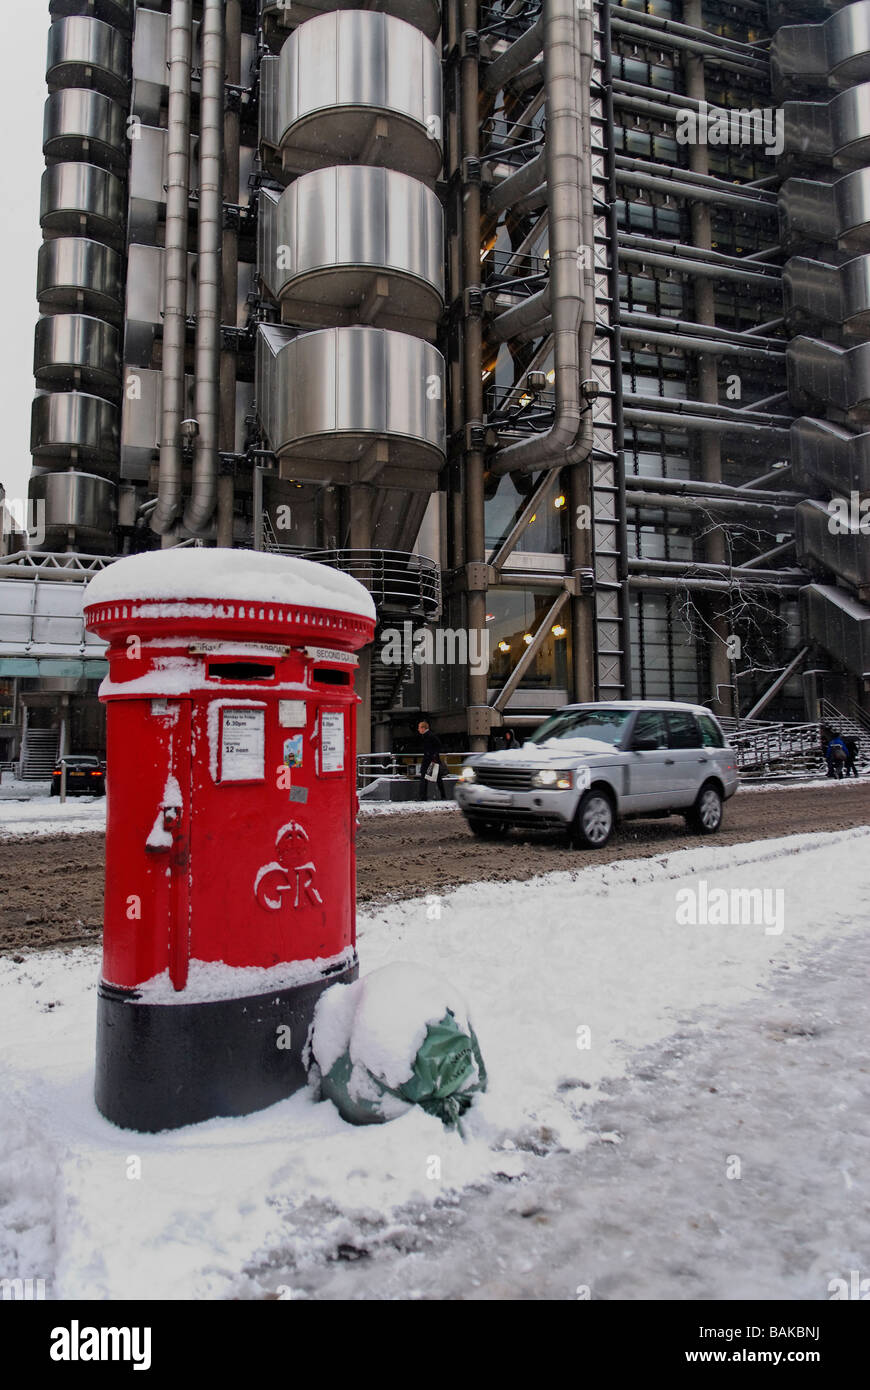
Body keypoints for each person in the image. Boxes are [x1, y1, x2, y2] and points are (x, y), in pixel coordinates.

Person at [418, 719, 446, 800]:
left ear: (423, 728)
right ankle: (442, 795)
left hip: (430, 760)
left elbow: (437, 746)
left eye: (419, 727)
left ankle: (423, 796)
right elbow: (438, 746)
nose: (418, 729)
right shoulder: (430, 735)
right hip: (432, 760)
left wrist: (432, 755)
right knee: (436, 778)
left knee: (425, 778)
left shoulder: (429, 736)